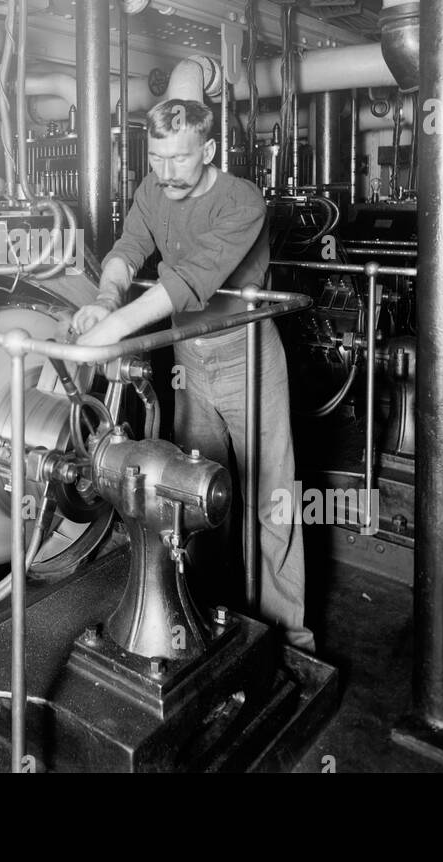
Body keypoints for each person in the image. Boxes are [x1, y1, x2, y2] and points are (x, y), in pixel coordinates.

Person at [71, 98, 314, 652]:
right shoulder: (153, 190)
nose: (166, 172)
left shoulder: (241, 200)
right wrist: (105, 299)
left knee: (271, 499)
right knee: (190, 493)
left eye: (180, 159)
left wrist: (113, 330)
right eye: (156, 158)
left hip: (247, 354)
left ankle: (292, 642)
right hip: (189, 362)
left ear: (208, 150)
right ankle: (204, 620)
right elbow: (129, 248)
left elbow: (186, 281)